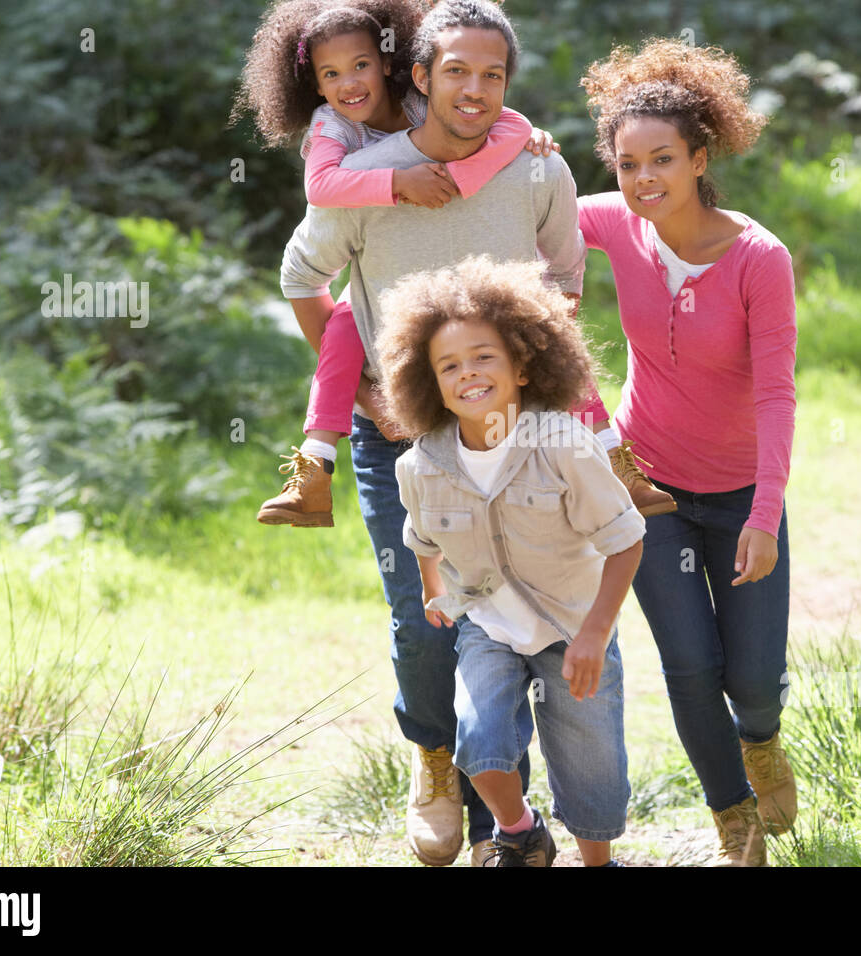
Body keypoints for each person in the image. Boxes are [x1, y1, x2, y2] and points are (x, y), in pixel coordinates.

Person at [277, 0, 667, 866]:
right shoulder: (371, 175)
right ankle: (438, 763)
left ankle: (514, 828)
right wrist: (376, 387)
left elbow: (565, 275)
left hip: (528, 438)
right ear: (418, 77)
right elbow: (301, 275)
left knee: (524, 611)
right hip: (404, 439)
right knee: (431, 620)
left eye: (494, 75)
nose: (476, 90)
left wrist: (541, 378)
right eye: (456, 70)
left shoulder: (535, 169)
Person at [577, 37, 800, 866]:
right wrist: (516, 145)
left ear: (700, 157)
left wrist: (767, 515)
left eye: (662, 160)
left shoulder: (758, 258)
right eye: (627, 164)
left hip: (744, 493)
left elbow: (777, 393)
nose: (643, 181)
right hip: (651, 491)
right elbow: (521, 207)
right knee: (687, 663)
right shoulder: (612, 224)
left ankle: (763, 739)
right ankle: (732, 816)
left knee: (751, 677)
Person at [232, 0, 554, 528]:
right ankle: (315, 465)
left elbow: (504, 121)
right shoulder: (330, 127)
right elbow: (321, 186)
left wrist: (499, 157)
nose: (348, 83)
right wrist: (400, 183)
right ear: (314, 84)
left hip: (462, 338)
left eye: (360, 64)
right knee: (344, 324)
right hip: (366, 278)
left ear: (388, 62)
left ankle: (609, 452)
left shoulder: (419, 101)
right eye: (329, 73)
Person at [379, 255, 644, 866]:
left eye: (483, 357)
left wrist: (596, 635)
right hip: (488, 627)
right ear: (428, 382)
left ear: (523, 366)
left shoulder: (565, 446)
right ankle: (521, 832)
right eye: (449, 366)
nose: (467, 374)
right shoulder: (420, 465)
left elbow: (626, 539)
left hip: (575, 627)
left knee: (591, 765)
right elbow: (423, 535)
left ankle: (595, 860)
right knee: (480, 744)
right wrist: (428, 586)